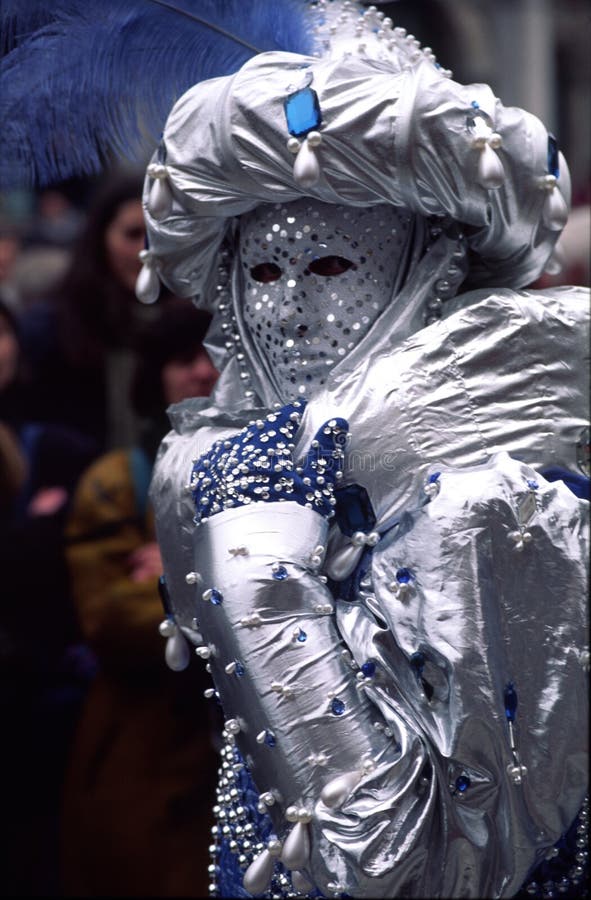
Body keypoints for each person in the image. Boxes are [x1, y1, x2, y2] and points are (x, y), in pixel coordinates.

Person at [134, 3, 589, 899]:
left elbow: (408, 874)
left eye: (332, 268)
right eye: (261, 275)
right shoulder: (261, 467)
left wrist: (257, 573)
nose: (291, 310)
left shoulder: (494, 506)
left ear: (425, 271)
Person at [60, 300, 220, 898]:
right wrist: (216, 589)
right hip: (147, 760)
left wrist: (180, 574)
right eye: (182, 360)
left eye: (213, 354)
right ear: (155, 377)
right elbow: (114, 621)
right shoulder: (119, 480)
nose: (203, 371)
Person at [18, 170, 166, 453]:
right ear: (100, 239)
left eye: (157, 234)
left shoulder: (188, 320)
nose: (145, 250)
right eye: (133, 234)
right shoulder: (51, 327)